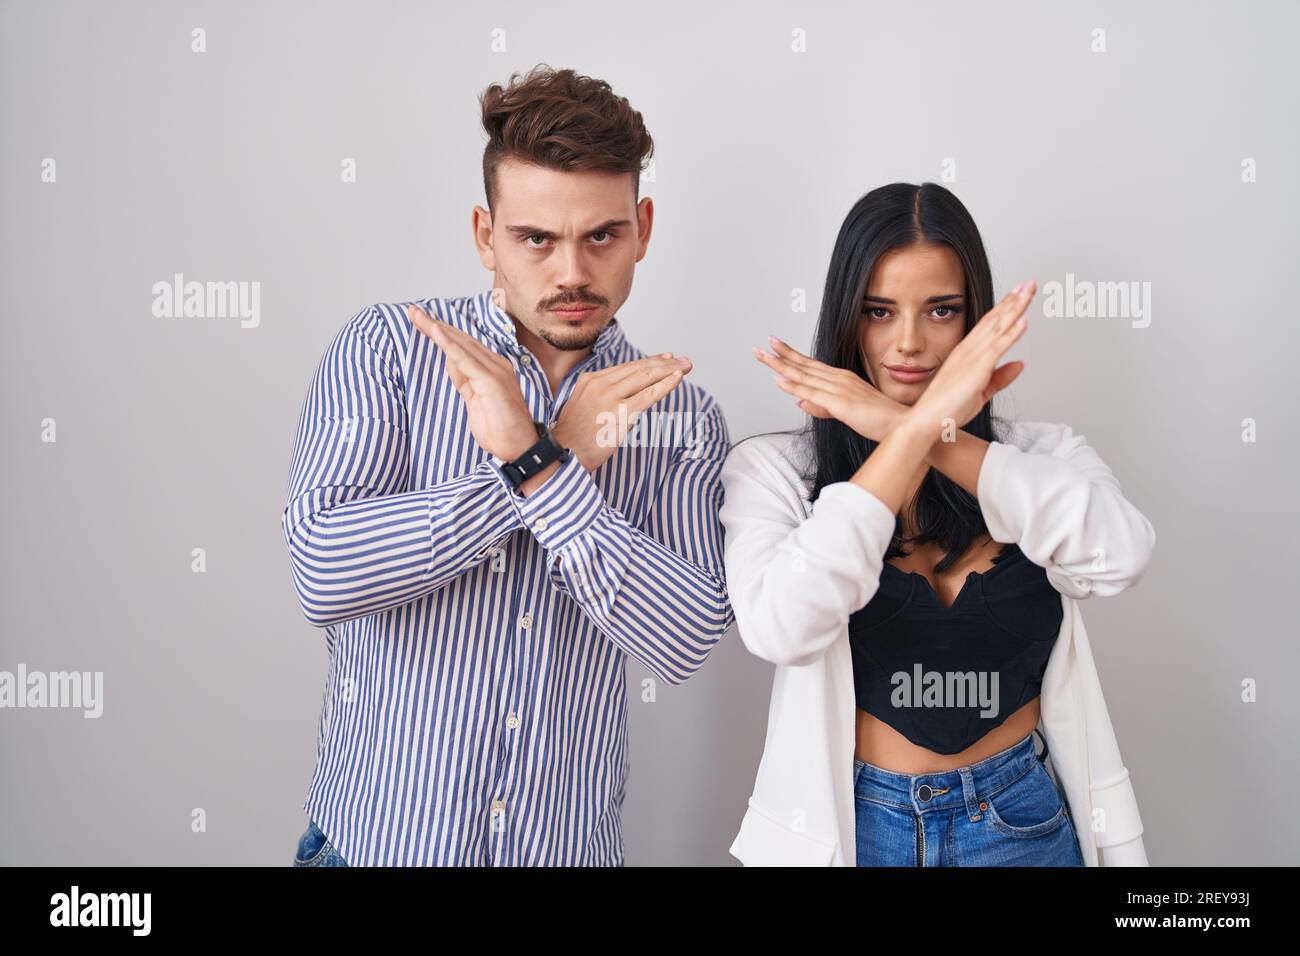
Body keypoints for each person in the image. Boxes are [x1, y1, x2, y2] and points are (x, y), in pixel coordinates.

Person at [282, 65, 732, 866]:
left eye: (603, 235)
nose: (571, 273)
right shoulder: (389, 350)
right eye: (536, 238)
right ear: (486, 235)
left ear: (644, 228)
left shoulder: (682, 414)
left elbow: (689, 636)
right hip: (378, 847)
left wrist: (542, 467)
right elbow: (322, 569)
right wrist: (539, 461)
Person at [721, 182, 1155, 866]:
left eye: (942, 310)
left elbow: (1121, 554)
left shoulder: (1043, 454)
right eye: (878, 311)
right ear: (844, 318)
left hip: (1020, 821)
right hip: (860, 828)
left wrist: (913, 430)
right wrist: (908, 441)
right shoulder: (774, 470)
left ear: (975, 318)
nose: (910, 344)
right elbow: (782, 627)